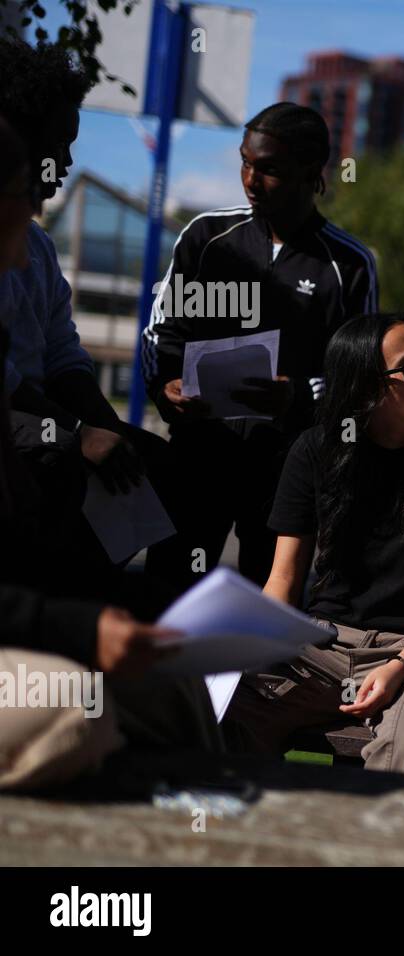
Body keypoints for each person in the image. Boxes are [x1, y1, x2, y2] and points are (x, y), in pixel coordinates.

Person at [0, 117, 219, 792]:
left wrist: (137, 609)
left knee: (177, 690)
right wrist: (78, 625)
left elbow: (65, 364)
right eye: (26, 191)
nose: (42, 206)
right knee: (74, 707)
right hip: (27, 628)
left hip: (29, 601)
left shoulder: (32, 256)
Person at [222, 314, 404, 774]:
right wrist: (246, 648)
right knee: (223, 712)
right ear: (365, 384)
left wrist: (400, 668)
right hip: (320, 646)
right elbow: (283, 578)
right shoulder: (314, 452)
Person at [141, 102, 378, 588]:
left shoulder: (348, 265)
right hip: (199, 455)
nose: (251, 178)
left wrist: (298, 397)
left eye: (269, 168)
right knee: (168, 597)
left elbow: (360, 377)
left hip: (287, 468)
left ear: (312, 172)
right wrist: (166, 384)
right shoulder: (208, 238)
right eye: (246, 162)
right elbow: (162, 333)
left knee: (262, 611)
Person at [0, 38, 175, 595]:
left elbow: (64, 358)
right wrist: (78, 435)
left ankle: (127, 618)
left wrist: (110, 430)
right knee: (61, 462)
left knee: (158, 467)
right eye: (59, 144)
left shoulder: (39, 247)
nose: (69, 162)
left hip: (37, 414)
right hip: (13, 419)